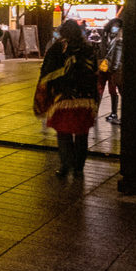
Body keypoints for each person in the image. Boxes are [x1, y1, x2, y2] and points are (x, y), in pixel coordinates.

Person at [34, 18, 101, 179]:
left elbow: (47, 72)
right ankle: (79, 168)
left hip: (63, 99)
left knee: (63, 134)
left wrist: (44, 95)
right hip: (85, 99)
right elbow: (94, 73)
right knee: (81, 134)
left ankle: (66, 165)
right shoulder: (88, 49)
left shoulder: (58, 48)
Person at [102, 19, 123, 123]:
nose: (115, 27)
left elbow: (118, 54)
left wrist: (114, 68)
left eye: (117, 26)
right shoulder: (106, 36)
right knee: (112, 90)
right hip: (107, 67)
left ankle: (115, 113)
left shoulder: (120, 38)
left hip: (116, 69)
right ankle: (113, 113)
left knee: (119, 90)